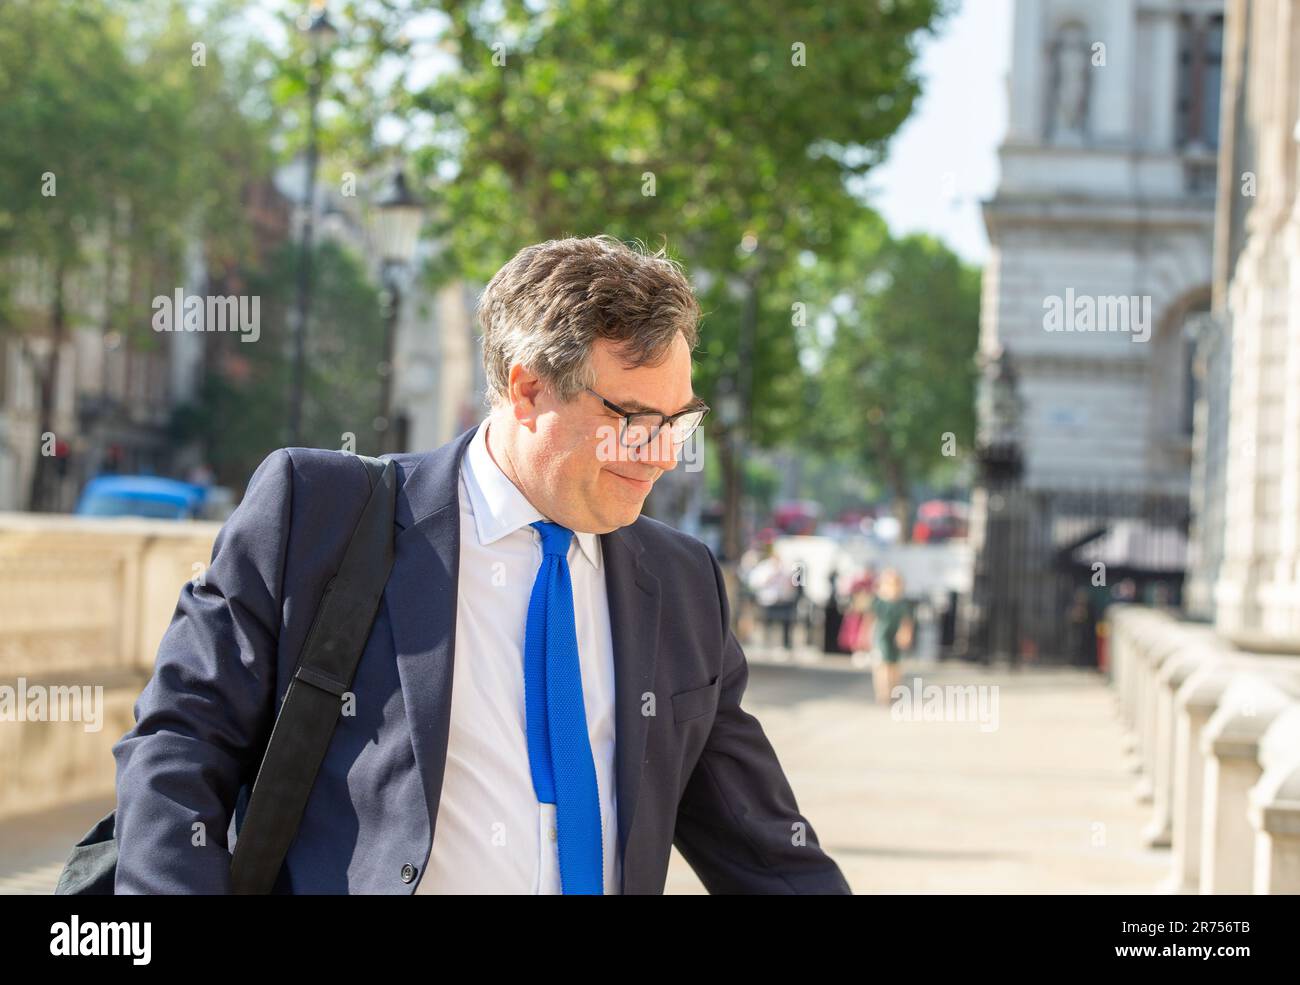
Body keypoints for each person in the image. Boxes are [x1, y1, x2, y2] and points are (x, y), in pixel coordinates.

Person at [112, 235, 850, 895]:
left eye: (678, 421)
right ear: (528, 389)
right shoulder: (320, 511)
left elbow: (767, 851)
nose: (662, 454)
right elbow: (179, 747)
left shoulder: (686, 584)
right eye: (634, 421)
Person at [867, 569, 914, 705]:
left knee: (894, 665)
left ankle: (893, 689)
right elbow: (870, 619)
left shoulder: (903, 604)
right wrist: (866, 635)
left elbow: (907, 622)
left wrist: (906, 634)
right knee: (882, 664)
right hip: (881, 635)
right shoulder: (879, 602)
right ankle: (883, 692)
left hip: (896, 636)